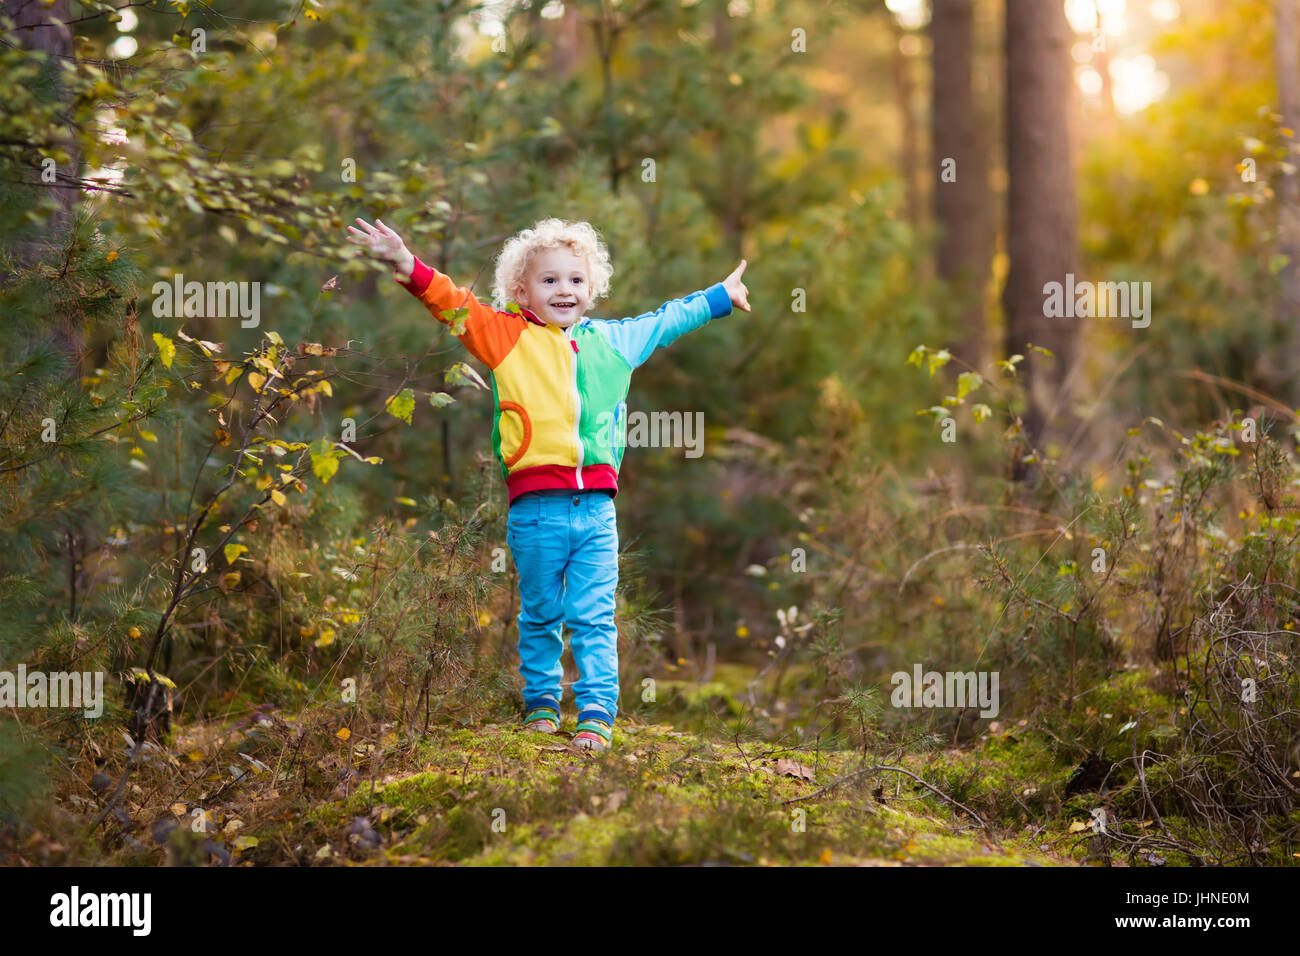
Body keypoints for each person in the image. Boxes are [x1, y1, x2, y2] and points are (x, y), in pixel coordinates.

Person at [346, 216, 751, 750]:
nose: (565, 290)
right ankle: (541, 705)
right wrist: (405, 263)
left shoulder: (614, 342)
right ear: (522, 291)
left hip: (596, 510)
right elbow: (453, 303)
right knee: (540, 612)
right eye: (550, 280)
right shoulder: (505, 337)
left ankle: (597, 715)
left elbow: (666, 320)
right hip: (535, 510)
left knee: (593, 616)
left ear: (592, 288)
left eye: (576, 280)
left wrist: (720, 295)